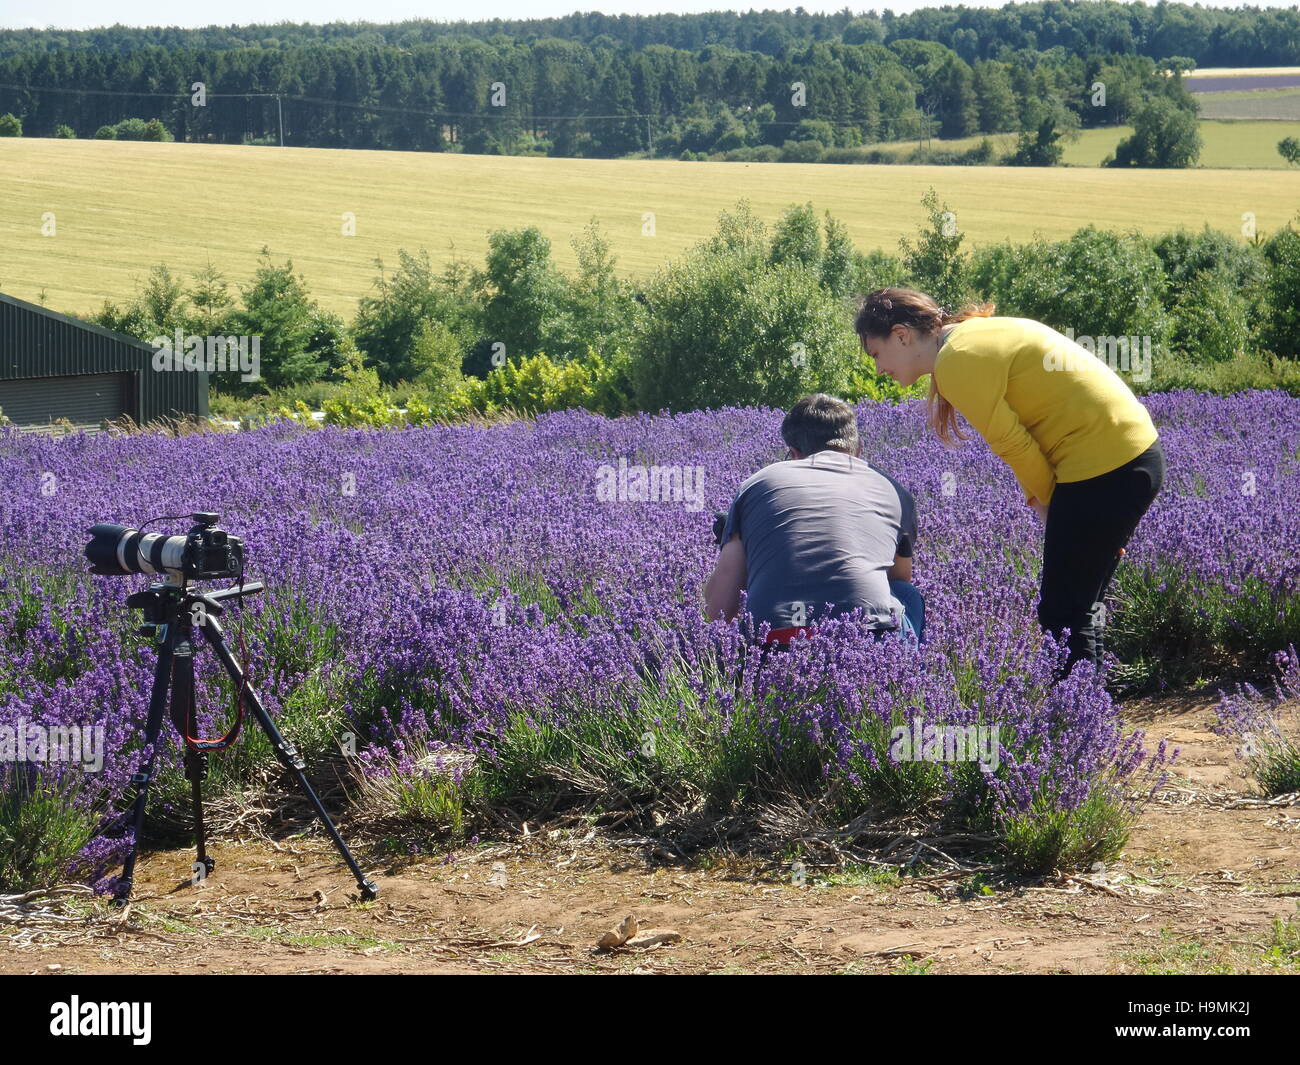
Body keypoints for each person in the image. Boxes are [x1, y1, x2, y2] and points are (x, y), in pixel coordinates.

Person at [853, 287, 1164, 674]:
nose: (878, 368)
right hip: (1129, 458)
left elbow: (1014, 445)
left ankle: (1078, 725)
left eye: (876, 354)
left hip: (1101, 466)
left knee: (1063, 612)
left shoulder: (957, 359)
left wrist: (1051, 509)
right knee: (1079, 604)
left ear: (901, 334)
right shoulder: (973, 334)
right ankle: (1091, 716)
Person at [703, 393, 924, 647]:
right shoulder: (894, 491)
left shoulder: (757, 484)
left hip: (774, 646)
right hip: (870, 643)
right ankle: (901, 683)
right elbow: (899, 578)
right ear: (859, 449)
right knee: (907, 594)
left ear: (794, 453)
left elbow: (718, 610)